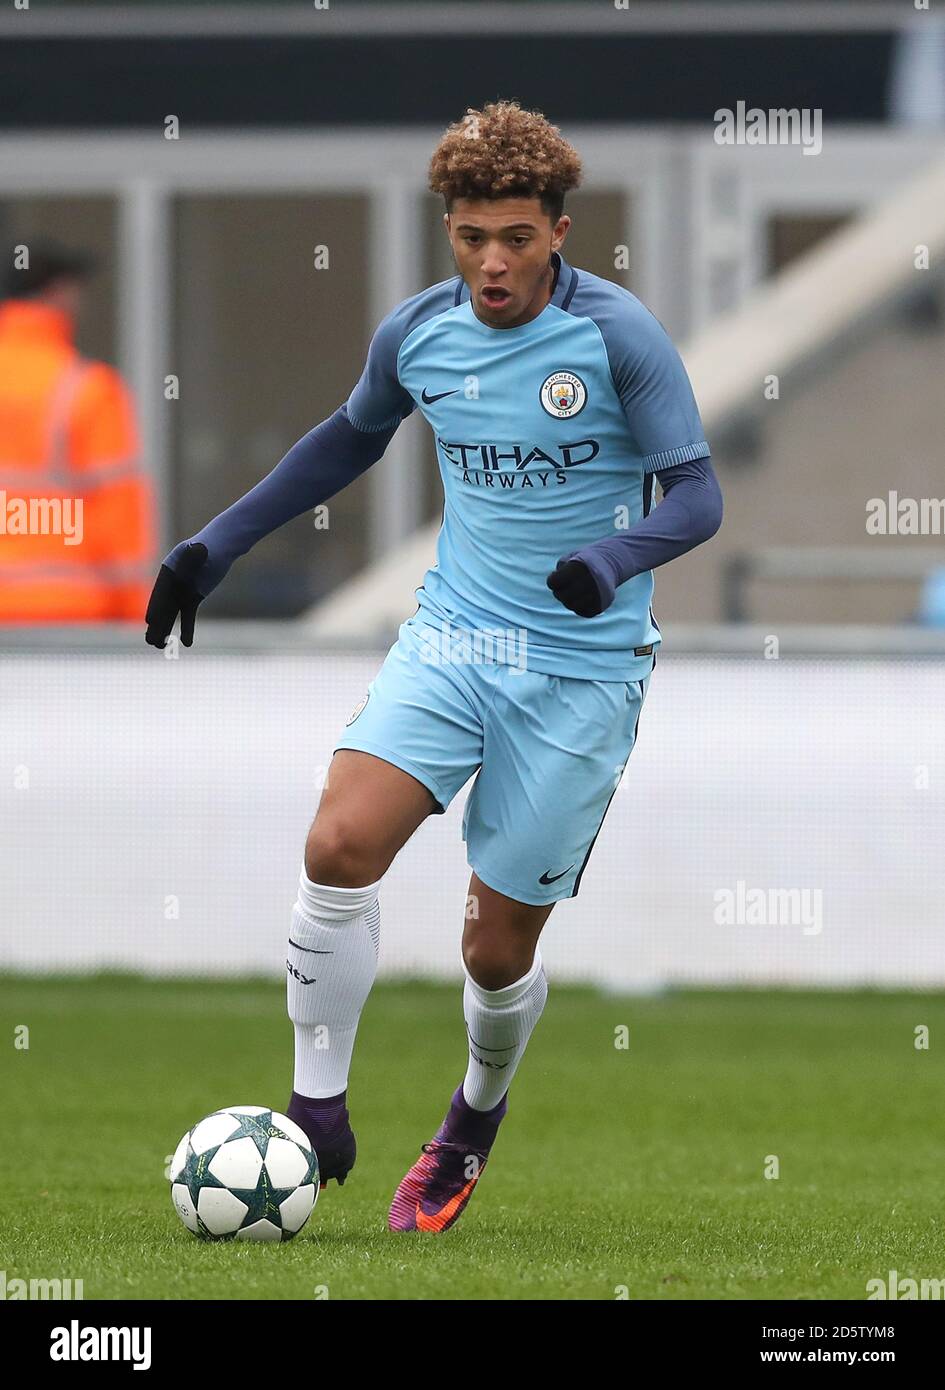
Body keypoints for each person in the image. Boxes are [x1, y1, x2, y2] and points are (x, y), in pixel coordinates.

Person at [145, 101, 723, 1233]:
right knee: (339, 840)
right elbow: (348, 437)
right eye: (471, 236)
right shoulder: (418, 333)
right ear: (448, 231)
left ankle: (472, 1118)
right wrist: (216, 543)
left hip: (580, 671)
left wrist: (612, 557)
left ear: (561, 229)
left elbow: (698, 493)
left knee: (493, 947)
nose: (492, 261)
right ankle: (317, 1114)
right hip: (454, 639)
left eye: (516, 236)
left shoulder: (619, 338)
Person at [0, 238, 156, 623]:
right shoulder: (86, 389)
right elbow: (119, 520)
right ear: (59, 292)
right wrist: (140, 618)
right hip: (64, 615)